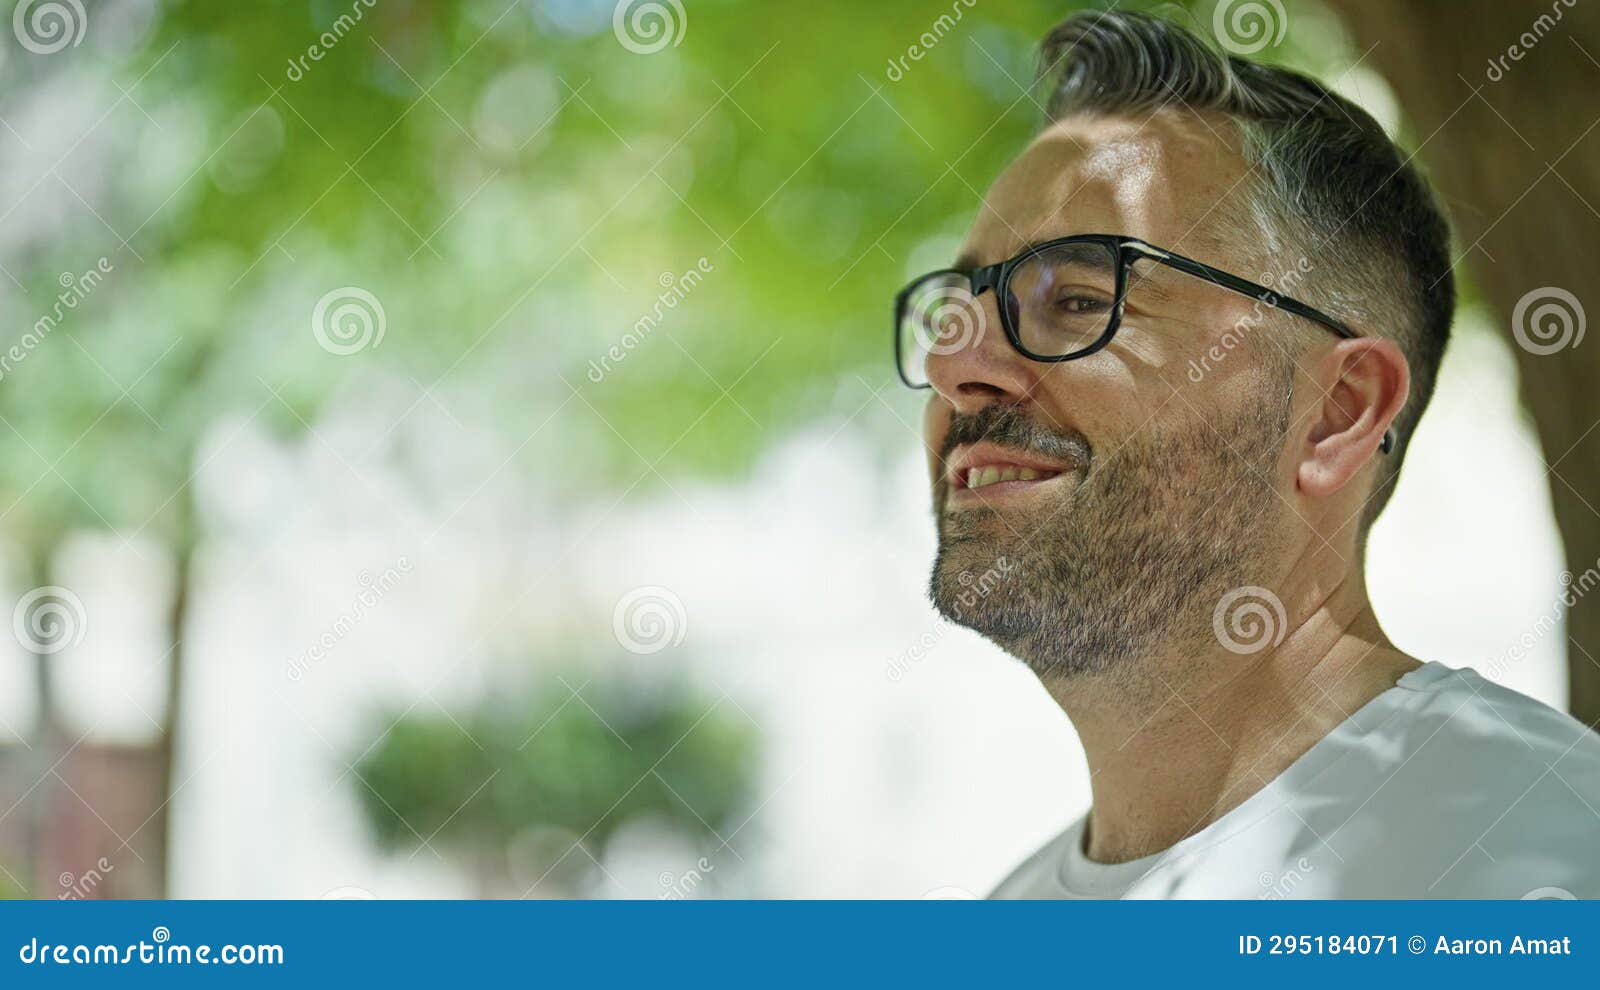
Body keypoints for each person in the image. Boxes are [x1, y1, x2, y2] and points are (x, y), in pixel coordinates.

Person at [893, 9, 1600, 899]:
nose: (952, 366)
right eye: (957, 310)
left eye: (1078, 300)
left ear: (1337, 413)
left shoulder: (1551, 859)